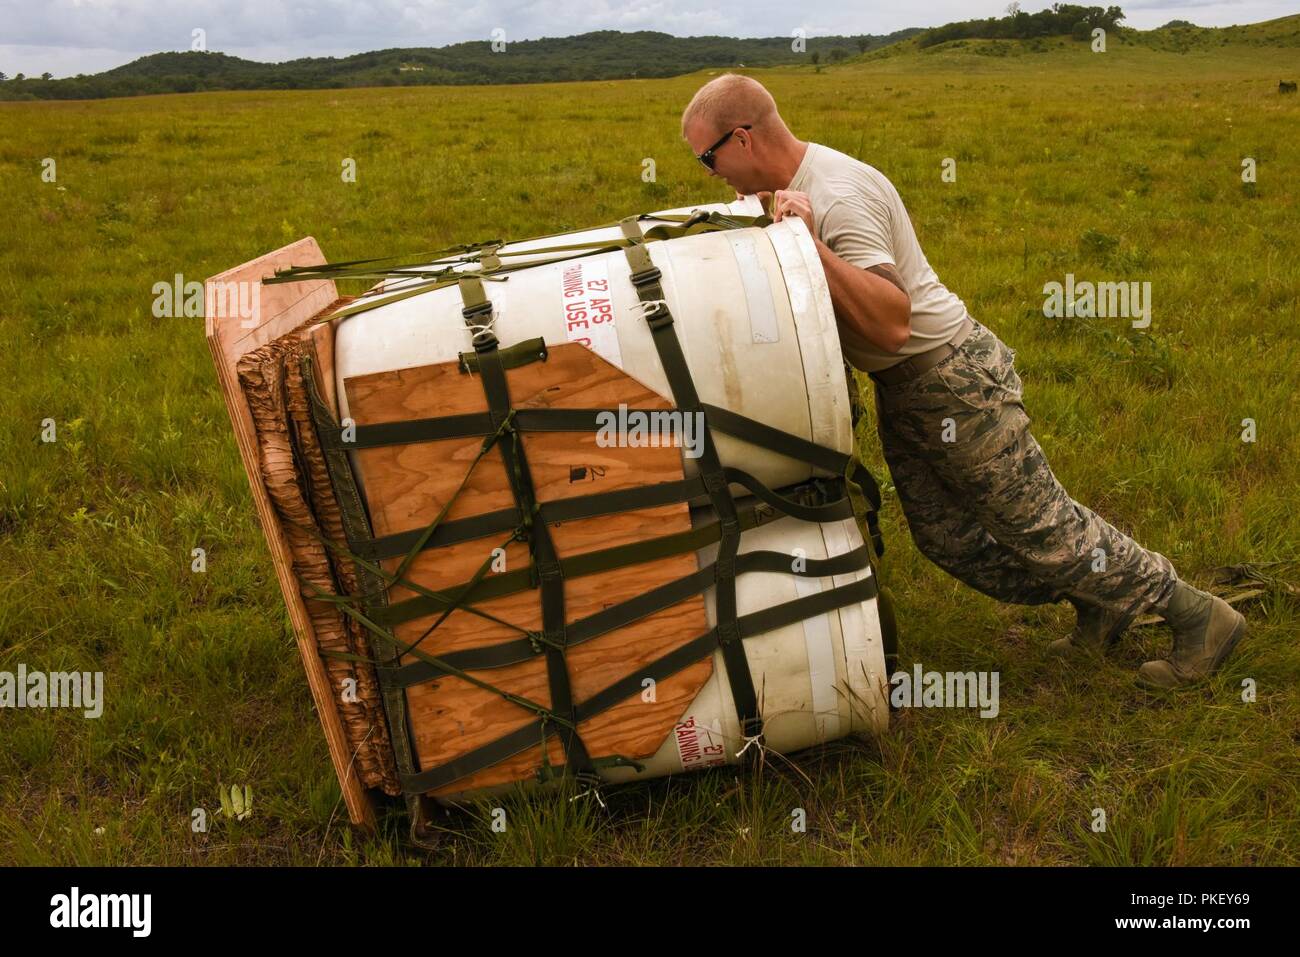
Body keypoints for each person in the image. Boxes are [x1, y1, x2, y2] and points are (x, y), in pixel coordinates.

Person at [680, 73, 1247, 688]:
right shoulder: (796, 188)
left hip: (951, 379)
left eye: (708, 159)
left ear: (742, 138)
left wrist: (810, 247)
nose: (709, 174)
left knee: (1042, 526)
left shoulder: (836, 197)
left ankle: (1197, 615)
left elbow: (892, 322)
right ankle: (1100, 597)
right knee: (946, 539)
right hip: (907, 389)